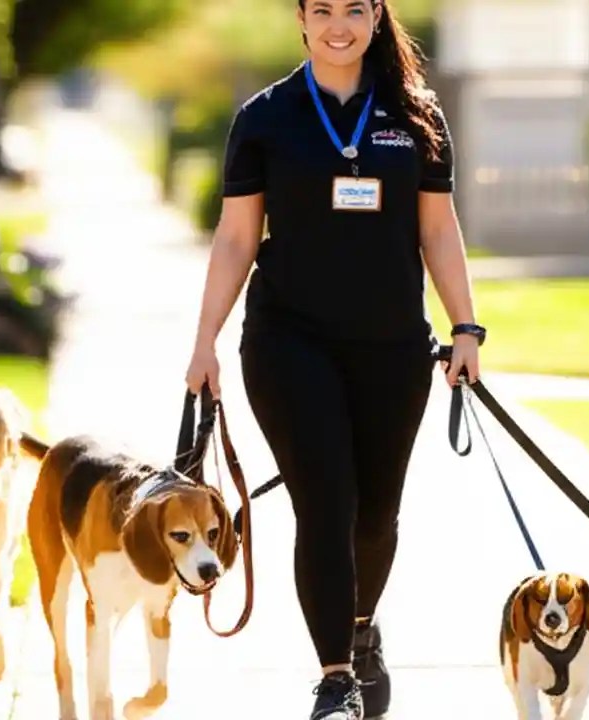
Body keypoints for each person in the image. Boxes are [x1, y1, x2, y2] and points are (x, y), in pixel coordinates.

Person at [184, 0, 483, 718]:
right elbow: (234, 239)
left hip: (391, 347)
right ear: (302, 19)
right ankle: (336, 679)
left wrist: (465, 326)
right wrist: (205, 343)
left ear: (378, 18)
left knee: (375, 518)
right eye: (323, 10)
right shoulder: (265, 118)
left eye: (355, 9)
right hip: (290, 341)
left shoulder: (417, 117)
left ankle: (358, 625)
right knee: (325, 503)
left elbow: (438, 231)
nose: (338, 25)